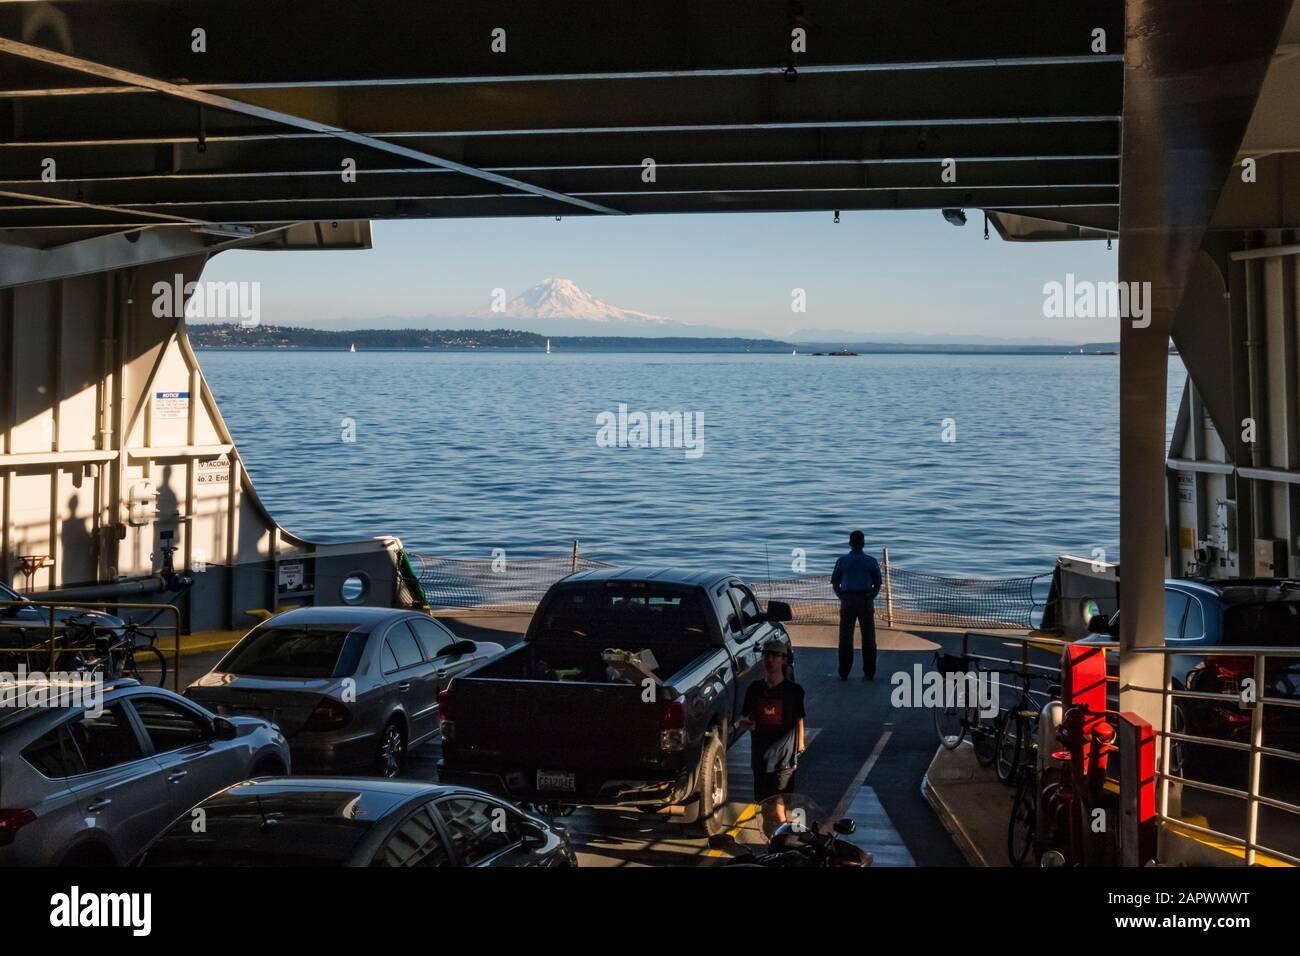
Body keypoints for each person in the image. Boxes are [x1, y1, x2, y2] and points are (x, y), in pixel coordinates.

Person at [738, 639, 805, 832]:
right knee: (764, 809)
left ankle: (781, 839)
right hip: (760, 758)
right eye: (766, 655)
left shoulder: (794, 691)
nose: (770, 659)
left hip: (784, 761)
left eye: (775, 656)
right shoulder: (755, 689)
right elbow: (742, 717)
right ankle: (772, 844)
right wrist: (746, 724)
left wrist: (801, 743)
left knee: (778, 807)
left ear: (784, 660)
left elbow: (800, 718)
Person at [831, 529, 882, 680]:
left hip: (847, 600)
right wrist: (870, 597)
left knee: (845, 638)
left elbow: (835, 583)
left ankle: (844, 671)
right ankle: (869, 672)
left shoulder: (842, 561)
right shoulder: (871, 561)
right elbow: (877, 584)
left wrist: (842, 597)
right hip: (865, 599)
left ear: (850, 543)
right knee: (869, 637)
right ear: (863, 543)